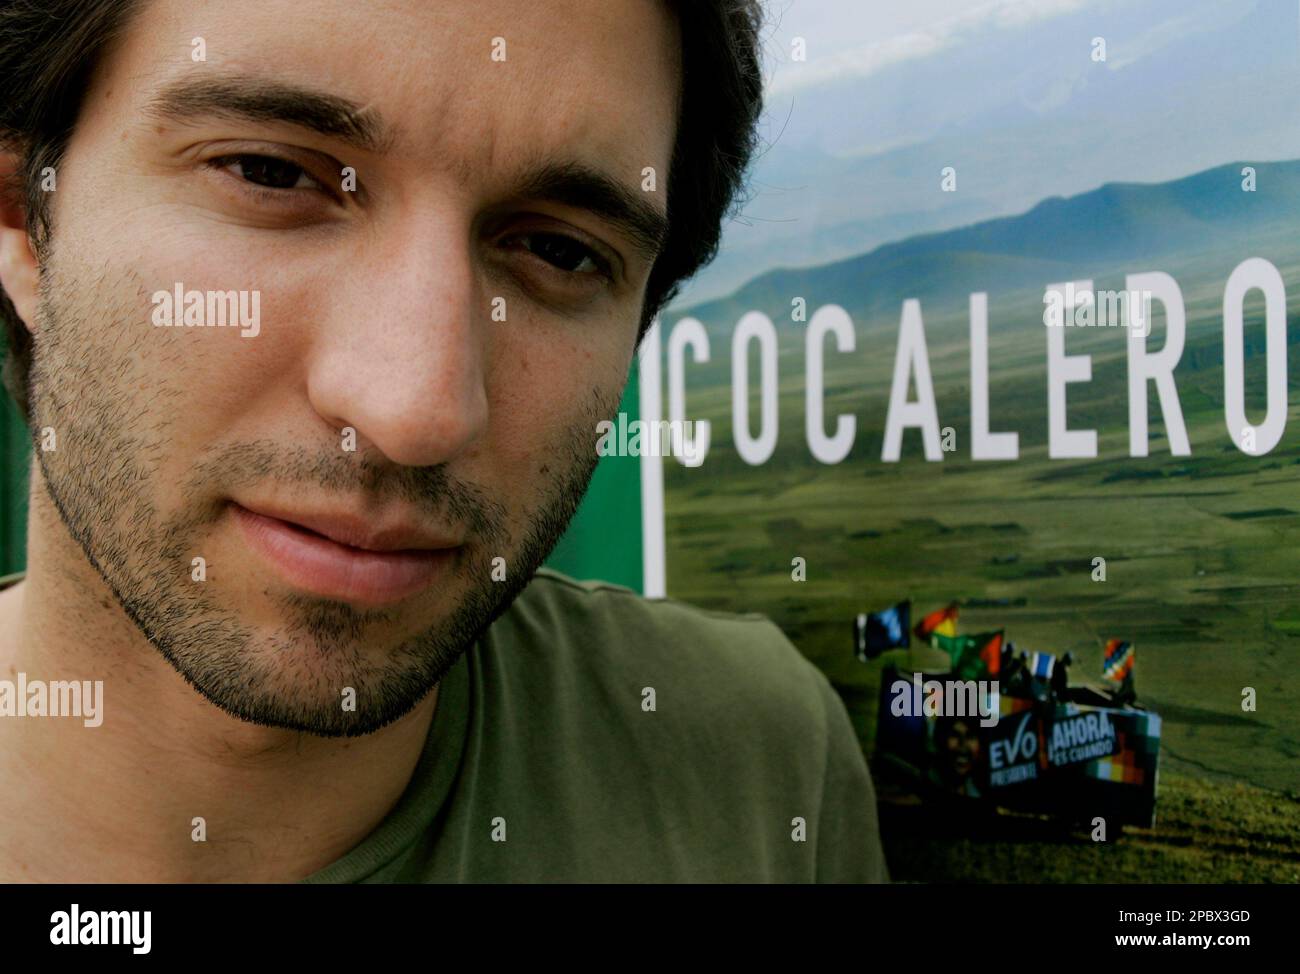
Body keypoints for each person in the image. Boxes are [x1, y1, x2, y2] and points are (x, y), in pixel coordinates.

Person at [0, 0, 888, 883]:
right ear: (21, 220)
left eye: (559, 249)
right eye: (272, 173)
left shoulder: (756, 771)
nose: (417, 411)